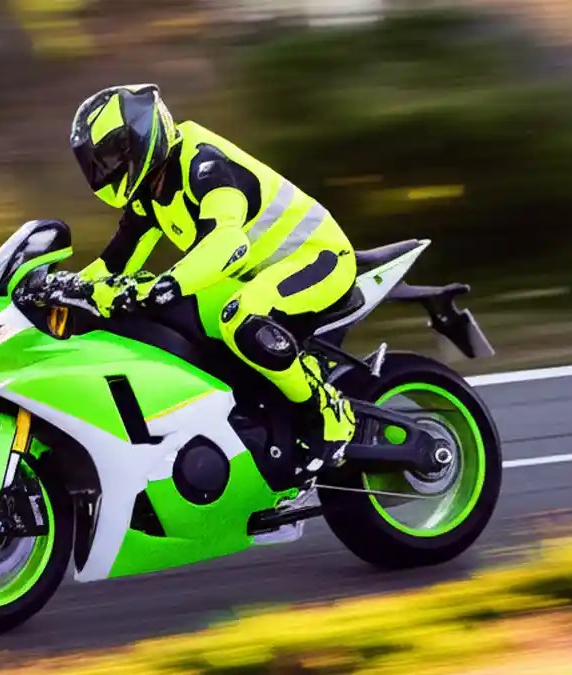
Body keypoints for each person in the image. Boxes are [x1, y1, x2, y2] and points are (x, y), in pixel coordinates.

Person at [34, 83, 360, 468]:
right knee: (174, 321)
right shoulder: (149, 195)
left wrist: (166, 285)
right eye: (97, 163)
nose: (105, 171)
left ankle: (328, 413)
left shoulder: (202, 162)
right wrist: (59, 287)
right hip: (254, 275)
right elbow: (113, 264)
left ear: (140, 136)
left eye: (109, 157)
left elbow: (227, 241)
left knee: (240, 317)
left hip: (318, 258)